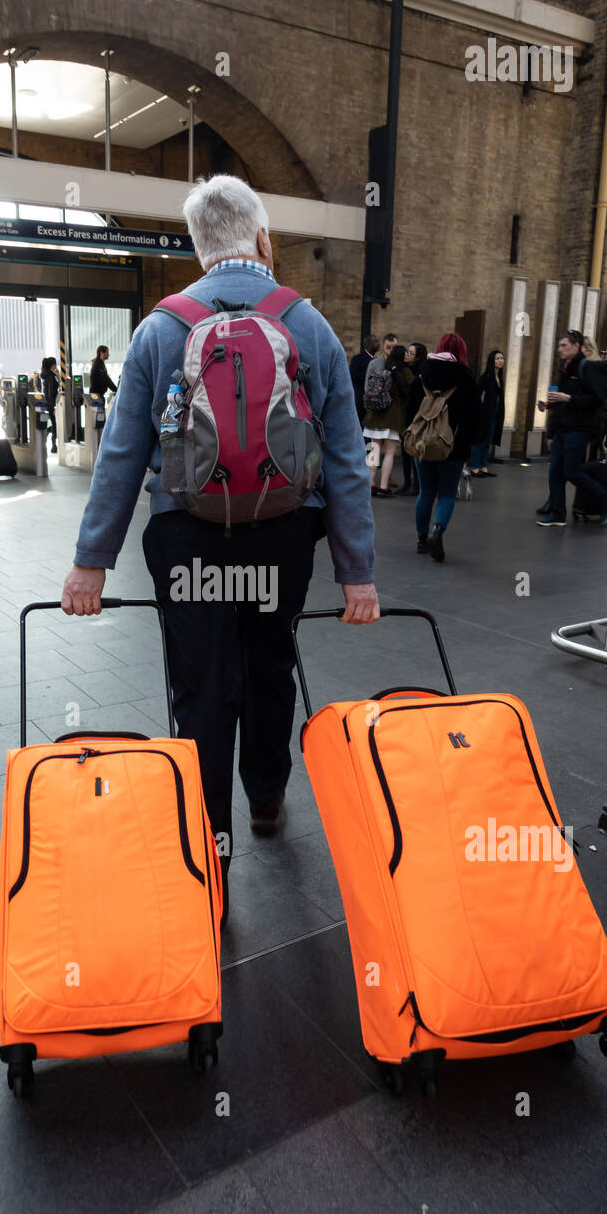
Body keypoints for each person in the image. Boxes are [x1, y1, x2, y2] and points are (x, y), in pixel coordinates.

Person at [60, 174, 379, 924]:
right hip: (282, 538)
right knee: (271, 663)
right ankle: (266, 795)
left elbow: (119, 454)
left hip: (187, 538)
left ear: (201, 250)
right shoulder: (309, 326)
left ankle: (210, 855)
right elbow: (344, 460)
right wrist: (357, 572)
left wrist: (91, 561)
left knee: (201, 688)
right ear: (263, 239)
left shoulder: (160, 329)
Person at [536, 330, 607, 527]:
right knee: (555, 472)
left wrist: (570, 398)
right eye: (559, 346)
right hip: (563, 429)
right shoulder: (565, 369)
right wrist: (552, 432)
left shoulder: (587, 368)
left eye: (564, 346)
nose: (560, 350)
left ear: (576, 346)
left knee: (571, 471)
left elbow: (596, 399)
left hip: (579, 429)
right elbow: (559, 404)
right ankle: (557, 514)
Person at [412, 332, 479, 562]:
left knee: (426, 492)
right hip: (454, 446)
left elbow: (411, 407)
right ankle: (437, 530)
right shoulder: (467, 378)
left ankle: (421, 539)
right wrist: (468, 444)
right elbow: (474, 418)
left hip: (423, 443)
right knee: (447, 493)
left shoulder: (422, 373)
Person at [363, 332, 399, 494]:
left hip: (374, 413)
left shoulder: (374, 363)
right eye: (389, 347)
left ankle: (370, 483)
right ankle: (384, 486)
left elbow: (366, 388)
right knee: (390, 452)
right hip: (392, 415)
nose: (391, 350)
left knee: (374, 450)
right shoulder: (399, 366)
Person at [471, 350, 505, 476]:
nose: (500, 360)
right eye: (497, 358)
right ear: (492, 360)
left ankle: (483, 466)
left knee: (488, 442)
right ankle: (474, 467)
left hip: (495, 414)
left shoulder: (500, 379)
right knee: (480, 440)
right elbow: (477, 396)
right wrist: (481, 411)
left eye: (502, 358)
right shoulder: (485, 377)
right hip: (485, 415)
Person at [399, 343, 427, 494]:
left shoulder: (421, 374)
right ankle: (406, 483)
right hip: (405, 415)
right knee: (405, 451)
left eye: (410, 353)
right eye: (407, 352)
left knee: (414, 452)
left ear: (417, 357)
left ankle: (416, 485)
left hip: (416, 417)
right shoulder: (402, 369)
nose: (406, 355)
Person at [349, 334, 379, 428]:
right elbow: (353, 376)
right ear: (368, 344)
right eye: (376, 342)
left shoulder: (377, 360)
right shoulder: (357, 359)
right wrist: (371, 375)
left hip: (374, 400)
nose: (379, 344)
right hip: (361, 398)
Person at [40, 357, 60, 454]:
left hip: (46, 403)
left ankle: (44, 442)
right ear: (53, 365)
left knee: (51, 424)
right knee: (55, 424)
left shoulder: (45, 375)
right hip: (51, 404)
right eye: (55, 364)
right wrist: (54, 407)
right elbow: (52, 392)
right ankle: (53, 445)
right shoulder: (51, 376)